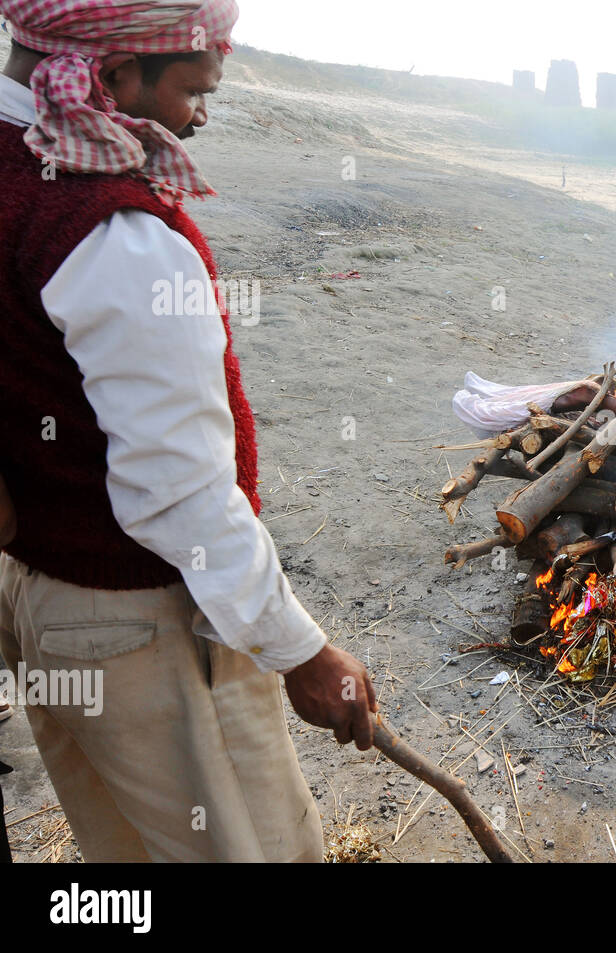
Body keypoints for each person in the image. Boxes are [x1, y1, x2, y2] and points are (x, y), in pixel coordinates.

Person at [0, 0, 376, 862]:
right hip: (137, 623)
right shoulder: (115, 236)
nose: (201, 116)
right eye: (192, 90)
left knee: (124, 853)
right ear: (113, 74)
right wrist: (302, 652)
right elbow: (180, 495)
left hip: (42, 601)